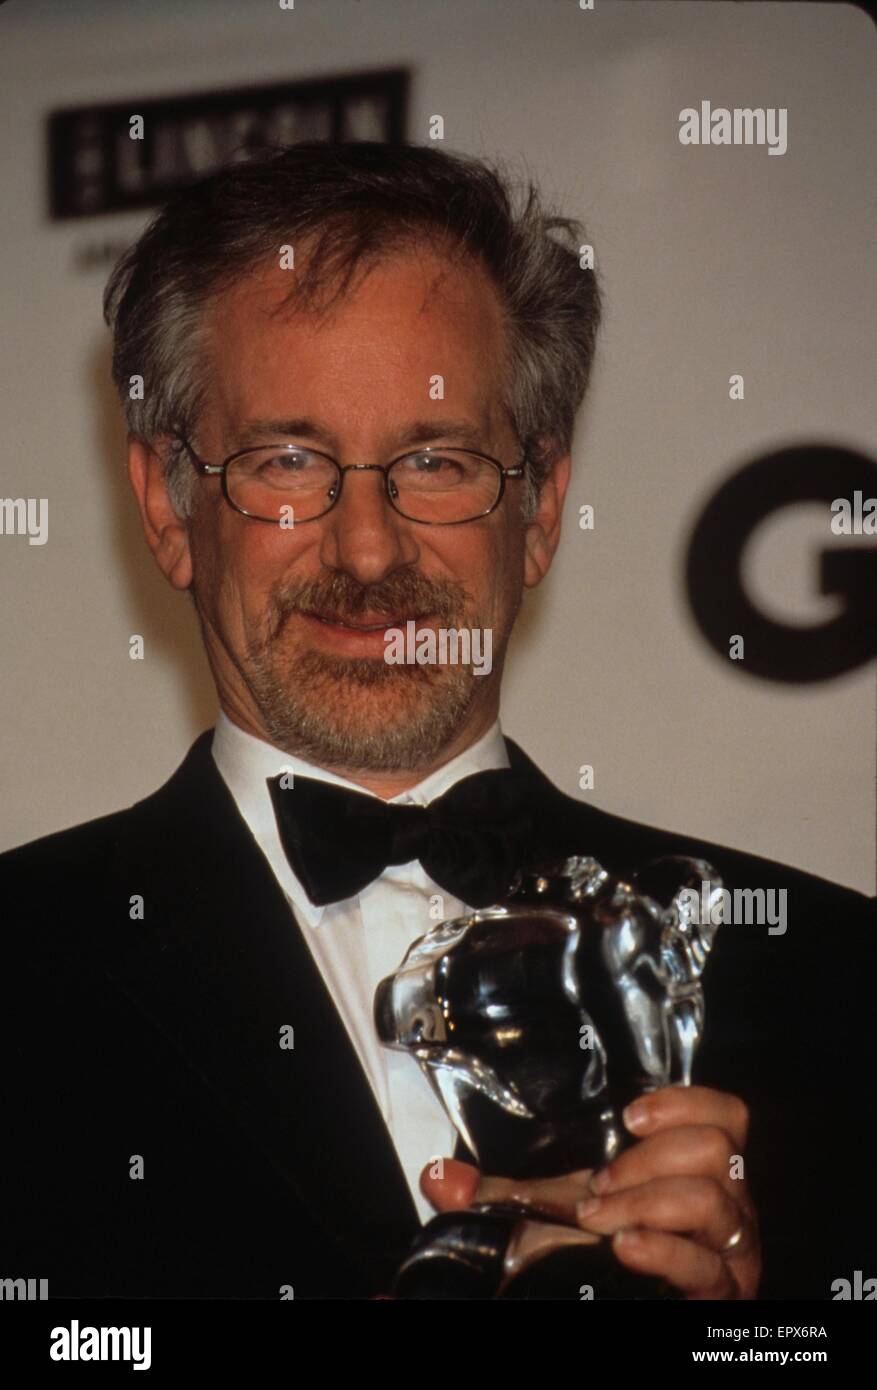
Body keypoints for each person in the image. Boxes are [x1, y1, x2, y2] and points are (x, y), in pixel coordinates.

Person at [1, 142, 872, 1301]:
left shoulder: (835, 982)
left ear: (543, 507)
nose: (367, 550)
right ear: (170, 509)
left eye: (437, 459)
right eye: (289, 459)